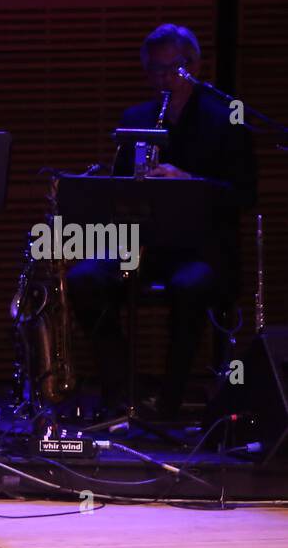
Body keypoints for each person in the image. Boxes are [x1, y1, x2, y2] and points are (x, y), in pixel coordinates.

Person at [67, 24, 257, 419]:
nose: (164, 80)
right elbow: (116, 192)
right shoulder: (137, 118)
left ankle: (169, 403)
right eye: (155, 71)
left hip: (201, 248)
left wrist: (188, 182)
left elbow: (244, 193)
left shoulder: (225, 118)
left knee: (190, 286)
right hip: (144, 245)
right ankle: (122, 394)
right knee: (84, 279)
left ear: (195, 65)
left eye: (174, 69)